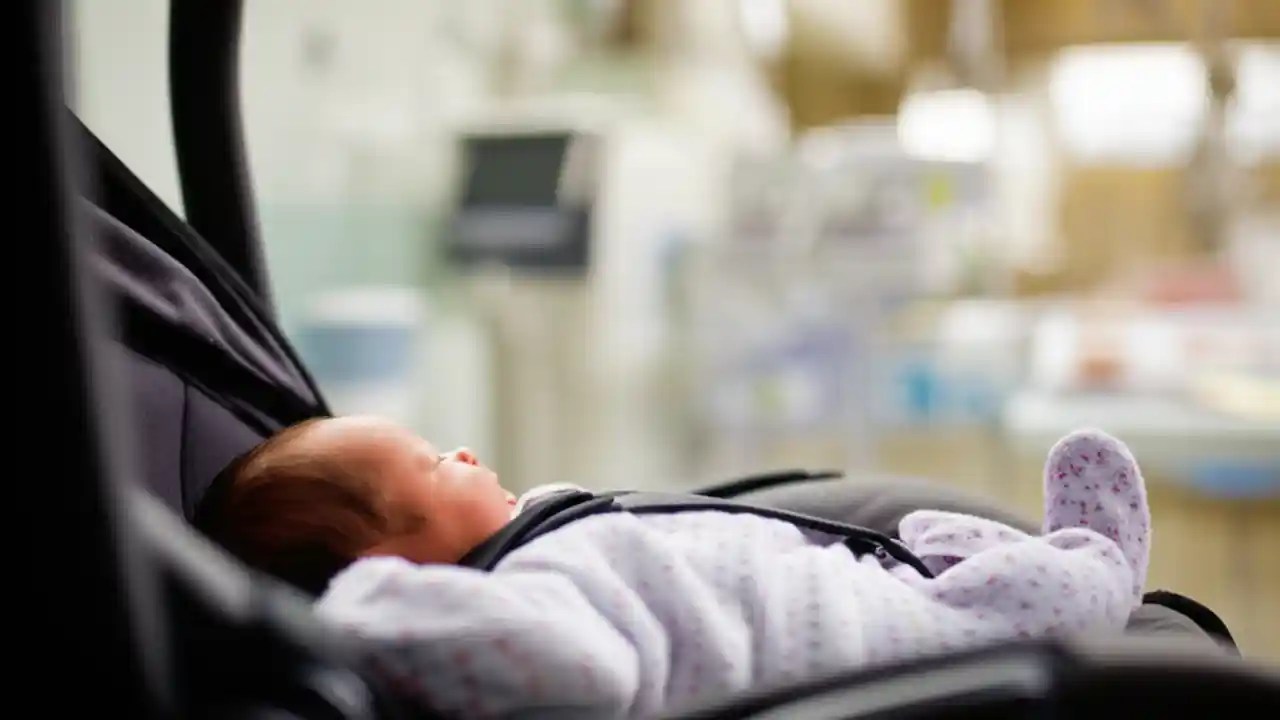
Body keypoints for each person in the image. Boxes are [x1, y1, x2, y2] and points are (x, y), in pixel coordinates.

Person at [195, 416, 1150, 719]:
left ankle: (1009, 569)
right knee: (987, 608)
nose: (466, 455)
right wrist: (356, 608)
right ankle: (1096, 576)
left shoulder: (532, 541)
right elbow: (583, 670)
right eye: (432, 465)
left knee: (932, 540)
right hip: (867, 647)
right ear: (392, 566)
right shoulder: (530, 601)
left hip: (838, 580)